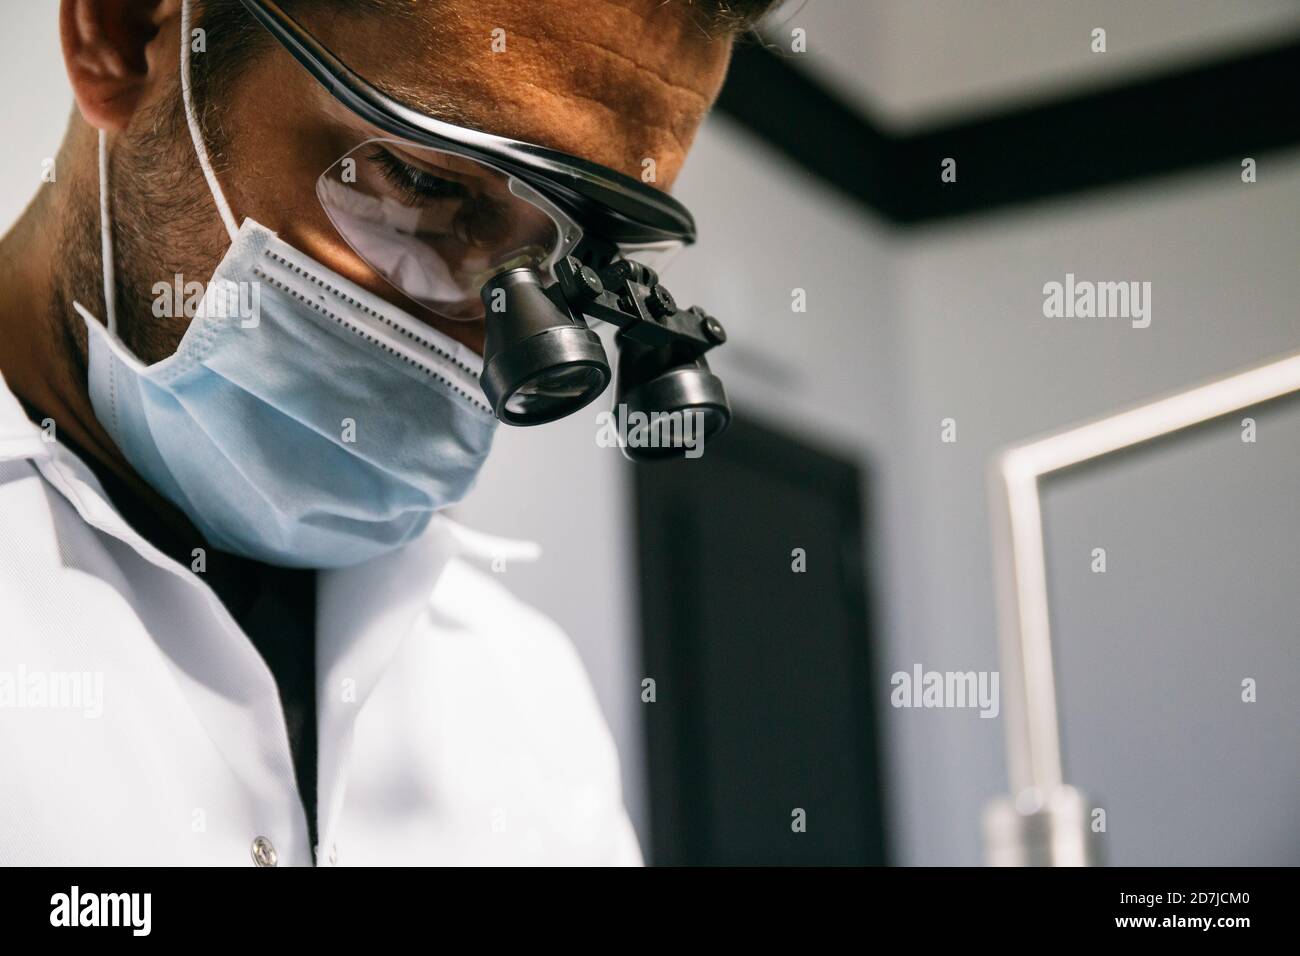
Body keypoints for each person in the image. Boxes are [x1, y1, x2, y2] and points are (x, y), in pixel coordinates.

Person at [0, 0, 774, 866]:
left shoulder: (527, 695)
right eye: (423, 184)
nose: (484, 353)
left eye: (573, 262)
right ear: (124, 34)